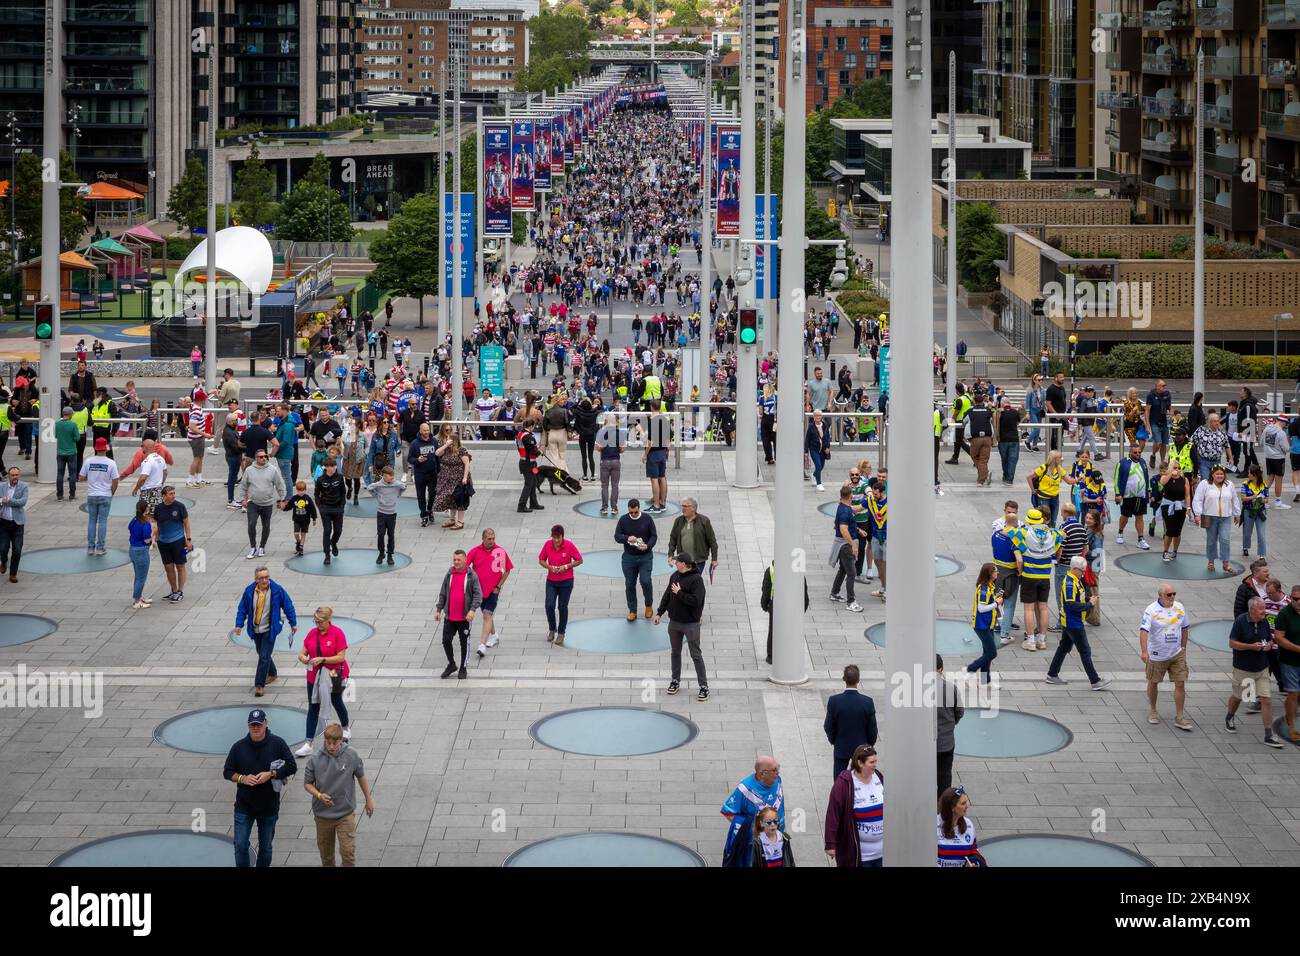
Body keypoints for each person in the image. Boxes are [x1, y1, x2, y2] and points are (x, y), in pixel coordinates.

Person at [222, 709, 296, 868]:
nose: (256, 728)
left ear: (266, 724)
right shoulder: (238, 747)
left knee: (266, 848)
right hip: (244, 807)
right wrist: (243, 778)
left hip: (269, 807)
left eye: (259, 725)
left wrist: (271, 774)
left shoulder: (278, 744)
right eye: (252, 725)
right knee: (240, 845)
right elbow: (227, 771)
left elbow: (292, 766)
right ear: (248, 726)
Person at [303, 721, 375, 867]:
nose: (331, 747)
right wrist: (319, 795)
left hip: (345, 813)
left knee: (348, 854)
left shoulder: (351, 755)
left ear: (341, 740)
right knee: (327, 858)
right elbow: (307, 784)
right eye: (328, 743)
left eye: (334, 743)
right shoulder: (315, 760)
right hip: (323, 815)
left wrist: (369, 799)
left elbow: (361, 776)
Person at [1225, 599, 1286, 748]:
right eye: (1261, 609)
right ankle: (1230, 716)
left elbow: (1270, 640)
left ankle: (1268, 734)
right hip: (1244, 668)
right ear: (1252, 610)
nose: (1264, 612)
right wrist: (1250, 647)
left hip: (1262, 668)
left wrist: (1268, 646)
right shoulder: (1240, 621)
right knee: (1239, 696)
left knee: (1266, 699)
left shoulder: (1264, 622)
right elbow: (1232, 643)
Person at [1044, 556, 1112, 690]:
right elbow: (1071, 604)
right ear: (1075, 569)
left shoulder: (1074, 580)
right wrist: (1089, 604)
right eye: (1082, 570)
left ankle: (1052, 674)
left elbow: (1077, 597)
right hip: (1073, 623)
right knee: (1085, 651)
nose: (1083, 573)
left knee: (1063, 648)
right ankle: (1095, 681)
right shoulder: (1070, 583)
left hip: (1070, 622)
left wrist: (1087, 598)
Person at [295, 607, 351, 757]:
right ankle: (308, 743)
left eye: (320, 622)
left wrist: (323, 659)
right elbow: (302, 652)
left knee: (336, 700)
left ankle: (345, 727)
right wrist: (302, 658)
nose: (317, 624)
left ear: (328, 620)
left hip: (333, 674)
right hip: (314, 676)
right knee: (313, 706)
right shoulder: (312, 633)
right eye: (315, 621)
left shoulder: (337, 633)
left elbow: (340, 657)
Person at [233, 567, 298, 697]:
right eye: (261, 578)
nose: (265, 580)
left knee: (263, 657)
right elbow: (242, 608)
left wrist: (293, 623)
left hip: (270, 629)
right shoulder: (249, 591)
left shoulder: (277, 590)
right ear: (256, 579)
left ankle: (259, 685)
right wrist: (239, 624)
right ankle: (272, 673)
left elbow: (288, 605)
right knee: (262, 653)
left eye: (267, 577)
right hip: (256, 629)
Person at [654, 552, 710, 700]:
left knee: (696, 655)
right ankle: (675, 681)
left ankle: (703, 687)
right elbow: (667, 595)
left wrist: (680, 593)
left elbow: (696, 601)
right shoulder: (675, 576)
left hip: (691, 624)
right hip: (674, 623)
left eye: (677, 561)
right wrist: (659, 613)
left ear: (683, 564)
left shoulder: (696, 580)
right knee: (675, 652)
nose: (675, 563)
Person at [1140, 583, 1192, 730]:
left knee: (1180, 683)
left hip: (1176, 654)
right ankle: (1153, 710)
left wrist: (1183, 648)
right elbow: (1144, 631)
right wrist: (1144, 652)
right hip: (1157, 655)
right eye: (1169, 595)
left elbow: (1185, 628)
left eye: (1174, 594)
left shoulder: (1179, 607)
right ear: (1160, 595)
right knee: (1153, 682)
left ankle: (1180, 717)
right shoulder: (1151, 610)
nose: (1172, 597)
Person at [824, 744, 882, 868]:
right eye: (871, 762)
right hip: (860, 856)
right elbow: (833, 814)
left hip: (882, 853)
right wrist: (830, 844)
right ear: (860, 763)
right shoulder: (844, 783)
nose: (875, 764)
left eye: (876, 761)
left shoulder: (879, 777)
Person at [721, 755, 784, 868]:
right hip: (756, 844)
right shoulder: (745, 789)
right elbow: (728, 812)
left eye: (778, 768)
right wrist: (753, 829)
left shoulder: (777, 780)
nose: (778, 772)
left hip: (776, 838)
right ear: (762, 773)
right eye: (774, 770)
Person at [1012, 507, 1060, 652]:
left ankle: (1031, 641)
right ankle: (1042, 640)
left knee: (1029, 608)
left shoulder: (1023, 533)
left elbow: (1008, 531)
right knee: (1044, 607)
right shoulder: (1052, 534)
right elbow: (1058, 548)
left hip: (1029, 576)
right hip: (1045, 575)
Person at [434, 549, 482, 679]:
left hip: (464, 617)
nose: (456, 562)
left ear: (465, 560)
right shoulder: (450, 574)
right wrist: (439, 610)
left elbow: (478, 595)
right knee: (446, 640)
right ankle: (451, 664)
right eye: (454, 559)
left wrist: (472, 610)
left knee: (464, 642)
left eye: (459, 560)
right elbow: (443, 592)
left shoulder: (472, 576)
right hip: (450, 616)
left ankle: (463, 667)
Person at [823, 665, 878, 779]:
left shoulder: (834, 701)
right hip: (861, 750)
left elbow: (828, 726)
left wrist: (835, 740)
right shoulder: (867, 702)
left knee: (839, 781)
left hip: (841, 747)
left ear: (844, 679)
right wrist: (868, 745)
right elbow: (872, 729)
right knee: (860, 781)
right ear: (858, 680)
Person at [466, 529, 514, 657]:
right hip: (479, 591)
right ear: (483, 539)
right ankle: (494, 635)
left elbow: (508, 570)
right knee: (487, 614)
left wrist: (499, 585)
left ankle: (482, 645)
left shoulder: (500, 551)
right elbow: (465, 567)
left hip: (493, 590)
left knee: (487, 615)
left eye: (493, 538)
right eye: (489, 539)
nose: (492, 541)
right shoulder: (475, 551)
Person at [1191, 463, 1239, 574]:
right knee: (1211, 540)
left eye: (1221, 474)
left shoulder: (1229, 484)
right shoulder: (1205, 484)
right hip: (1209, 516)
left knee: (1225, 539)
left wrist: (1237, 513)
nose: (1219, 476)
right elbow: (1197, 499)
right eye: (1217, 474)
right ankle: (1211, 561)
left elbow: (1235, 499)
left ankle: (1225, 562)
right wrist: (1198, 514)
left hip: (1225, 517)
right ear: (1212, 475)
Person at [539, 524, 582, 646]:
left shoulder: (569, 545)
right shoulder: (548, 545)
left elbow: (579, 560)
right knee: (549, 605)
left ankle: (562, 632)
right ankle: (552, 628)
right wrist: (549, 567)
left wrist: (566, 566)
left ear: (563, 536)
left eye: (558, 537)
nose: (556, 540)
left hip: (566, 581)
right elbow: (541, 560)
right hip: (551, 581)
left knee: (562, 607)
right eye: (554, 537)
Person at [615, 498, 657, 622]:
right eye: (631, 512)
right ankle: (632, 610)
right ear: (628, 510)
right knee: (629, 584)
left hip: (645, 556)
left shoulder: (647, 519)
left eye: (635, 512)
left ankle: (648, 605)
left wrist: (648, 546)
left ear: (639, 509)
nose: (633, 514)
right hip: (629, 557)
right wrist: (627, 538)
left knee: (645, 581)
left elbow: (654, 536)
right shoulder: (623, 519)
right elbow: (617, 536)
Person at [239, 449, 286, 559]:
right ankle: (253, 547)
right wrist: (243, 499)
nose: (264, 458)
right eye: (261, 457)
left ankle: (262, 547)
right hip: (253, 503)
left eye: (265, 456)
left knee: (266, 526)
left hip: (267, 503)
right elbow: (243, 486)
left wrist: (283, 498)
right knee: (251, 524)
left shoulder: (272, 469)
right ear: (256, 458)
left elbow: (280, 484)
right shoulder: (249, 470)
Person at [761, 560, 810, 665]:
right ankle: (791, 654)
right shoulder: (797, 571)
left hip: (776, 603)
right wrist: (803, 607)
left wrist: (765, 605)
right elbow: (803, 590)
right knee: (792, 630)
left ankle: (771, 655)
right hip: (793, 604)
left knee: (773, 629)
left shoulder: (771, 570)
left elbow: (766, 589)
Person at [151, 485, 192, 604]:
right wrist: (156, 538)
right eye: (170, 494)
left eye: (174, 493)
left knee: (180, 566)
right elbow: (156, 524)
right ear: (164, 496)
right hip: (163, 543)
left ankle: (180, 591)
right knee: (168, 567)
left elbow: (186, 524)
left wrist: (188, 540)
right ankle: (173, 590)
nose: (173, 495)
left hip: (178, 541)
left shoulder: (180, 507)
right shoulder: (158, 508)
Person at [80, 437, 120, 556]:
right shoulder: (111, 463)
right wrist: (111, 492)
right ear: (106, 448)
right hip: (105, 494)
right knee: (103, 521)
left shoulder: (88, 461)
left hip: (92, 495)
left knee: (92, 521)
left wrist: (91, 478)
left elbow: (81, 477)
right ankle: (100, 547)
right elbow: (115, 480)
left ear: (95, 448)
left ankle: (90, 547)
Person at [828, 482, 865, 612]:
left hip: (844, 543)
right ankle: (851, 602)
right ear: (850, 496)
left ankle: (835, 593)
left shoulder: (844, 507)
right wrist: (853, 545)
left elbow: (846, 525)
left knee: (843, 570)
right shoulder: (845, 510)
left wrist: (858, 530)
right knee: (851, 572)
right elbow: (843, 530)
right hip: (845, 546)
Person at [1272, 584, 1300, 743]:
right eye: (1295, 598)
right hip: (1289, 661)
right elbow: (1279, 638)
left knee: (1298, 695)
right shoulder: (1284, 614)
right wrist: (1297, 649)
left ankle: (1288, 713)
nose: (1297, 601)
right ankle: (1292, 728)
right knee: (1293, 693)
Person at [967, 562, 1003, 684]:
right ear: (989, 573)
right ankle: (971, 668)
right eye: (995, 571)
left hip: (988, 624)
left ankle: (984, 680)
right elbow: (981, 609)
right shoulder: (984, 589)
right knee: (992, 652)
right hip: (981, 625)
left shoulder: (990, 586)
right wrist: (996, 603)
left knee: (987, 652)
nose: (997, 573)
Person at [666, 497, 719, 576]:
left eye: (686, 506)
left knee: (693, 581)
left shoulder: (704, 521)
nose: (683, 508)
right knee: (684, 582)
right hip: (683, 561)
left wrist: (714, 559)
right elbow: (673, 539)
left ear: (693, 508)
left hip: (698, 561)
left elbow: (712, 541)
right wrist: (670, 554)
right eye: (682, 506)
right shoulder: (678, 521)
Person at [365, 465, 406, 565]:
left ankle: (390, 555)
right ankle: (381, 553)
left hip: (392, 513)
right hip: (381, 513)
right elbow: (369, 487)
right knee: (380, 534)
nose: (391, 477)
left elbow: (403, 487)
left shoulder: (396, 484)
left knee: (391, 535)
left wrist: (397, 495)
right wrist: (377, 496)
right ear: (383, 475)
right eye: (389, 475)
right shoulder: (379, 485)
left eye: (392, 475)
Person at [1113, 444, 1152, 549]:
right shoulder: (1122, 463)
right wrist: (1117, 494)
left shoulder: (1143, 462)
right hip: (1127, 496)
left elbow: (1146, 476)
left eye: (1139, 452)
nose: (1138, 454)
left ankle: (1140, 539)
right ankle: (1120, 532)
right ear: (1130, 452)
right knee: (1125, 516)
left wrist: (1148, 490)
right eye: (1135, 452)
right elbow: (1117, 479)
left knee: (1140, 517)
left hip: (1140, 496)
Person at [935, 654, 963, 795]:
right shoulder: (951, 688)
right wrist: (950, 724)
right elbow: (959, 712)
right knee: (944, 775)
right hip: (946, 742)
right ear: (941, 669)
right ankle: (942, 806)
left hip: (923, 745)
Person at [433, 430, 472, 530]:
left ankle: (460, 521)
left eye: (449, 439)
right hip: (446, 479)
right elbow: (437, 453)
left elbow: (467, 464)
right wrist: (446, 445)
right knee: (449, 498)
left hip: (458, 479)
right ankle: (452, 519)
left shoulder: (461, 450)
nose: (447, 440)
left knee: (459, 499)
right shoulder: (445, 449)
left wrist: (464, 478)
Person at [937, 786, 982, 867]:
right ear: (952, 807)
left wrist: (973, 862)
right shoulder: (933, 825)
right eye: (963, 803)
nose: (967, 806)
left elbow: (974, 850)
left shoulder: (969, 825)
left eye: (966, 802)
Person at [314, 456, 345, 565]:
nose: (332, 468)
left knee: (338, 530)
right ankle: (327, 555)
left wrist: (342, 506)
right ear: (325, 467)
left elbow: (343, 493)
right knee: (327, 530)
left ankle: (334, 542)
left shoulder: (340, 477)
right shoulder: (320, 479)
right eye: (330, 466)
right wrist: (320, 508)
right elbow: (316, 495)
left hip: (337, 509)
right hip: (325, 509)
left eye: (334, 466)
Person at [408, 422, 440, 527]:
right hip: (420, 474)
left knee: (432, 494)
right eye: (424, 430)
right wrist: (417, 460)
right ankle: (424, 515)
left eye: (428, 430)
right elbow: (410, 458)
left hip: (432, 473)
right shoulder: (415, 443)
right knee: (420, 496)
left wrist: (439, 471)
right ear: (420, 431)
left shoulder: (434, 441)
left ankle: (430, 510)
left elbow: (438, 457)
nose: (426, 432)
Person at [1158, 460, 1190, 562]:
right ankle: (1165, 551)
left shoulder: (1184, 480)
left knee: (1177, 531)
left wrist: (1188, 508)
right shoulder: (1165, 477)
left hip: (1180, 506)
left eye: (1179, 468)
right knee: (1170, 530)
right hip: (1168, 506)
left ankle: (1175, 551)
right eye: (1175, 468)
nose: (1177, 470)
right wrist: (1170, 474)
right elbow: (1162, 483)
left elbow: (1187, 495)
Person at [595, 411, 626, 514]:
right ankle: (614, 507)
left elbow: (598, 448)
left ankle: (604, 507)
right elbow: (622, 449)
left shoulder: (601, 432)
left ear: (606, 421)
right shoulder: (619, 433)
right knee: (615, 485)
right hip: (616, 461)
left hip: (604, 461)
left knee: (604, 485)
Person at [0, 466, 26, 583]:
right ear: (9, 476)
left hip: (18, 524)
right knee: (3, 548)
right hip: (4, 523)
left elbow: (22, 502)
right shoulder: (2, 487)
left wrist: (8, 501)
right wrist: (1, 501)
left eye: (17, 475)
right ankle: (4, 561)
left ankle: (13, 574)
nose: (15, 477)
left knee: (17, 550)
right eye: (13, 475)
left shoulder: (24, 486)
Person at [127, 498, 153, 609]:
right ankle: (137, 601)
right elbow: (147, 540)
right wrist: (154, 534)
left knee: (138, 576)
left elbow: (129, 528)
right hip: (142, 551)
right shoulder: (145, 524)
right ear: (145, 509)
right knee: (141, 577)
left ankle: (139, 596)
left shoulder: (134, 520)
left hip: (133, 549)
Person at [1239, 463, 1269, 559]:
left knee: (1261, 534)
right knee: (1247, 532)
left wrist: (1259, 500)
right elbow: (1243, 498)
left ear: (1255, 475)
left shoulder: (1264, 485)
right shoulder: (1245, 484)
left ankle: (1262, 554)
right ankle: (1245, 547)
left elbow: (1267, 500)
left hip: (1260, 511)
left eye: (1249, 473)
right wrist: (1253, 497)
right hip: (1248, 511)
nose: (1248, 475)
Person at [515, 418, 543, 514]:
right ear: (530, 426)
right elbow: (532, 450)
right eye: (533, 426)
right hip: (528, 463)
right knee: (528, 485)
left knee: (533, 482)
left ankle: (533, 503)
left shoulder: (520, 434)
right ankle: (521, 506)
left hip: (525, 462)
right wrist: (539, 452)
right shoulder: (528, 437)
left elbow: (521, 448)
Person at [1144, 378, 1172, 468]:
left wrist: (1171, 415)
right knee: (1158, 442)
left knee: (1164, 443)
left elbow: (1170, 407)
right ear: (1157, 386)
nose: (1164, 387)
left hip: (1165, 421)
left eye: (1165, 386)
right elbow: (1147, 410)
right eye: (1163, 386)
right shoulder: (1151, 395)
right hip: (1154, 421)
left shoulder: (1167, 395)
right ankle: (1153, 455)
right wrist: (1147, 424)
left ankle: (1162, 462)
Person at [287, 480, 317, 557]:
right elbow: (289, 506)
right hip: (296, 519)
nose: (301, 492)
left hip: (306, 520)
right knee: (296, 533)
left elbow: (312, 508)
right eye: (299, 491)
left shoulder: (308, 498)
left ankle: (301, 547)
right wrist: (283, 507)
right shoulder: (294, 498)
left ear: (305, 490)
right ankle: (298, 542)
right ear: (297, 490)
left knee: (303, 533)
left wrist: (314, 518)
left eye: (303, 490)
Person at [55, 406, 79, 500]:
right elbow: (77, 438)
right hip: (72, 452)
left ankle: (59, 494)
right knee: (72, 473)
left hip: (60, 452)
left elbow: (56, 435)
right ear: (70, 414)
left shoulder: (57, 424)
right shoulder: (73, 424)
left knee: (60, 473)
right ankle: (72, 494)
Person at [804, 408, 831, 491]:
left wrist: (828, 447)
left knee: (821, 466)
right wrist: (806, 451)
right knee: (818, 465)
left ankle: (814, 475)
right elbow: (807, 440)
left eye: (819, 415)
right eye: (816, 415)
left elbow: (827, 437)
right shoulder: (811, 427)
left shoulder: (825, 425)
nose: (818, 417)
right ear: (813, 417)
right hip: (814, 449)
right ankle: (819, 484)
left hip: (823, 450)